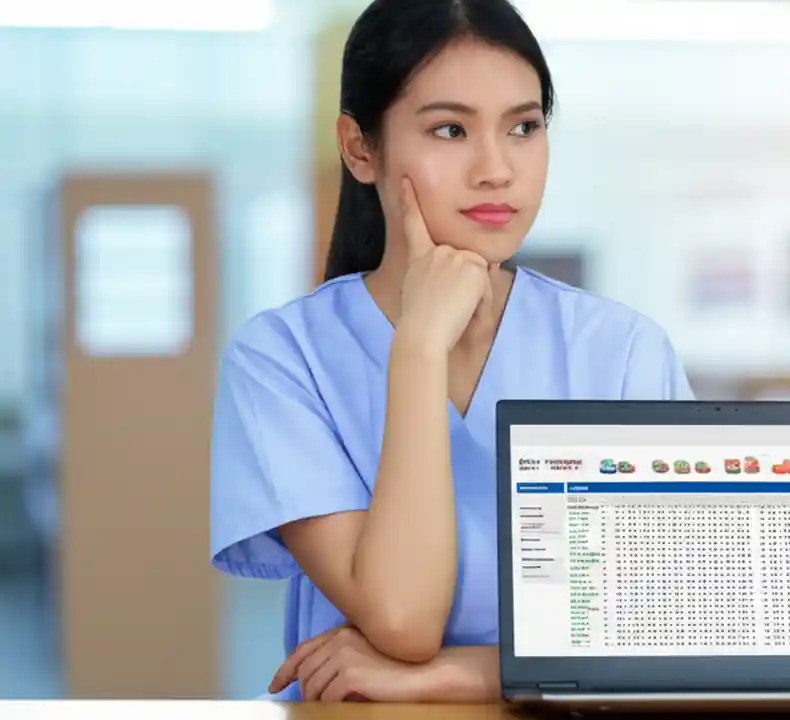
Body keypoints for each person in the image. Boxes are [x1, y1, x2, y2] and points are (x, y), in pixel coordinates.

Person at [208, 0, 692, 703]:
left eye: (523, 127)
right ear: (360, 148)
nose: (496, 169)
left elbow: (663, 633)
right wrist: (420, 349)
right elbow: (403, 618)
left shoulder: (623, 351)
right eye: (450, 129)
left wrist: (462, 677)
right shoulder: (283, 359)